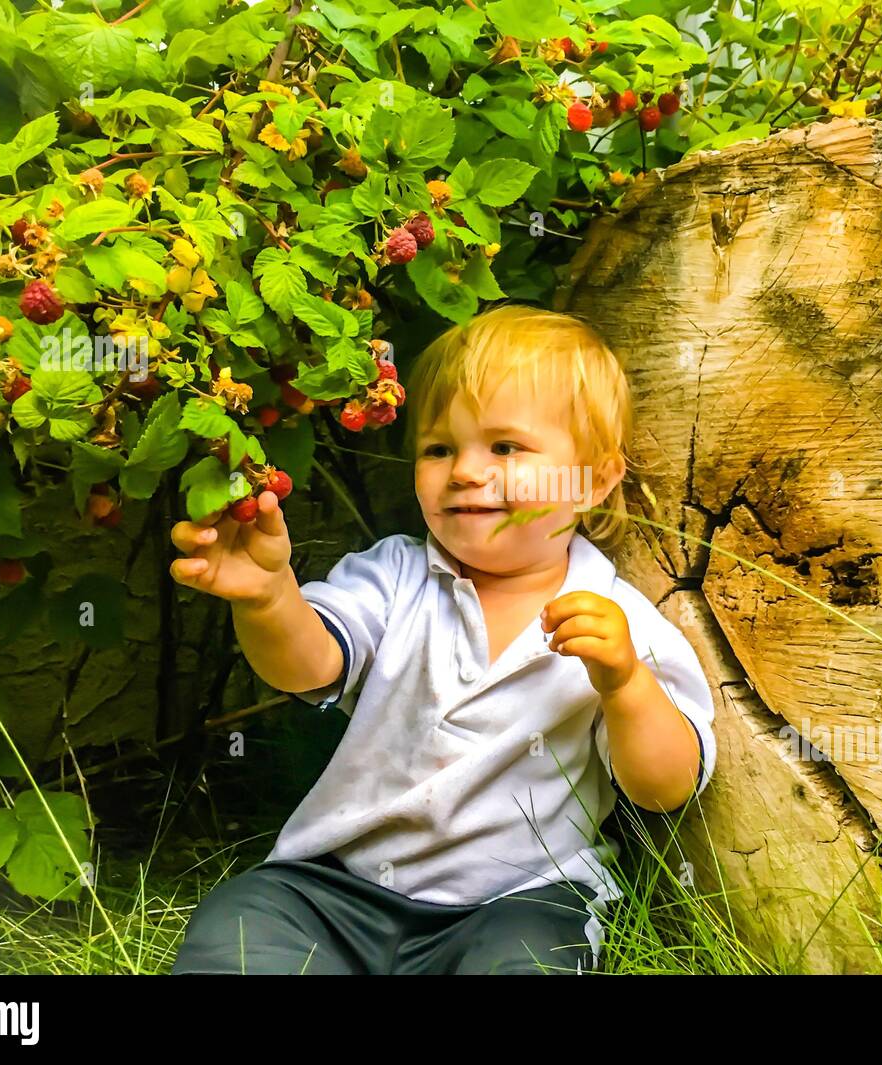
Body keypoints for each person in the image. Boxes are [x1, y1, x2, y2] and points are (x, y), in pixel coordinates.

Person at [168, 303, 717, 975]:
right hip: (344, 886)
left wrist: (626, 685)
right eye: (439, 448)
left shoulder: (617, 624)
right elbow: (308, 666)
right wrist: (269, 595)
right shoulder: (397, 576)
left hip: (519, 901)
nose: (463, 470)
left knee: (528, 962)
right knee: (242, 926)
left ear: (594, 479)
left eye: (505, 447)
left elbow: (665, 786)